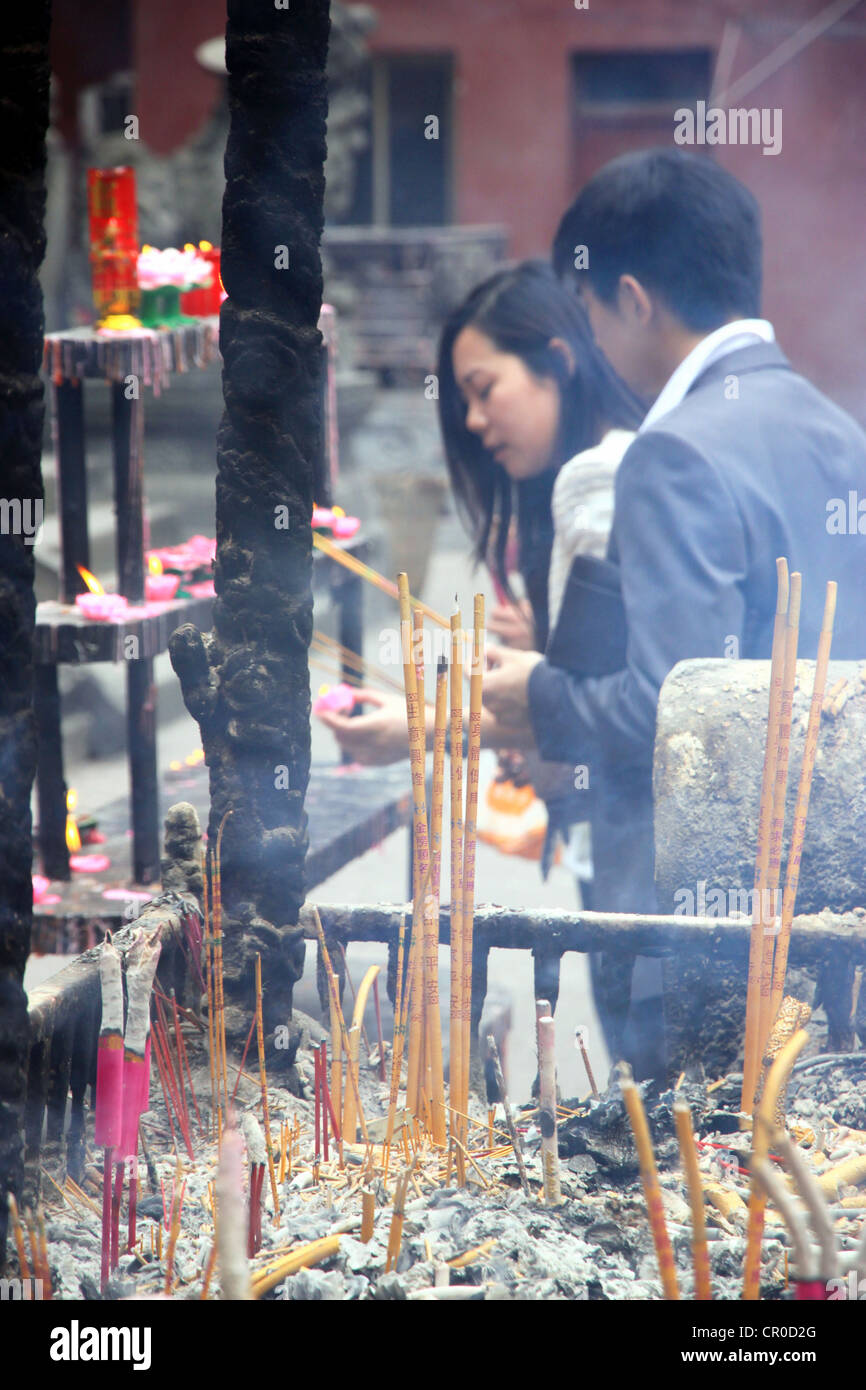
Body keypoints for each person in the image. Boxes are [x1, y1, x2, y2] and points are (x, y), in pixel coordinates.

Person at [479, 148, 866, 1078]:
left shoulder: (676, 455)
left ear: (634, 298)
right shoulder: (838, 431)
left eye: (595, 316)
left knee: (688, 1191)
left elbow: (677, 718)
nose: (599, 347)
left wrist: (540, 690)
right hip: (835, 914)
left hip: (700, 930)